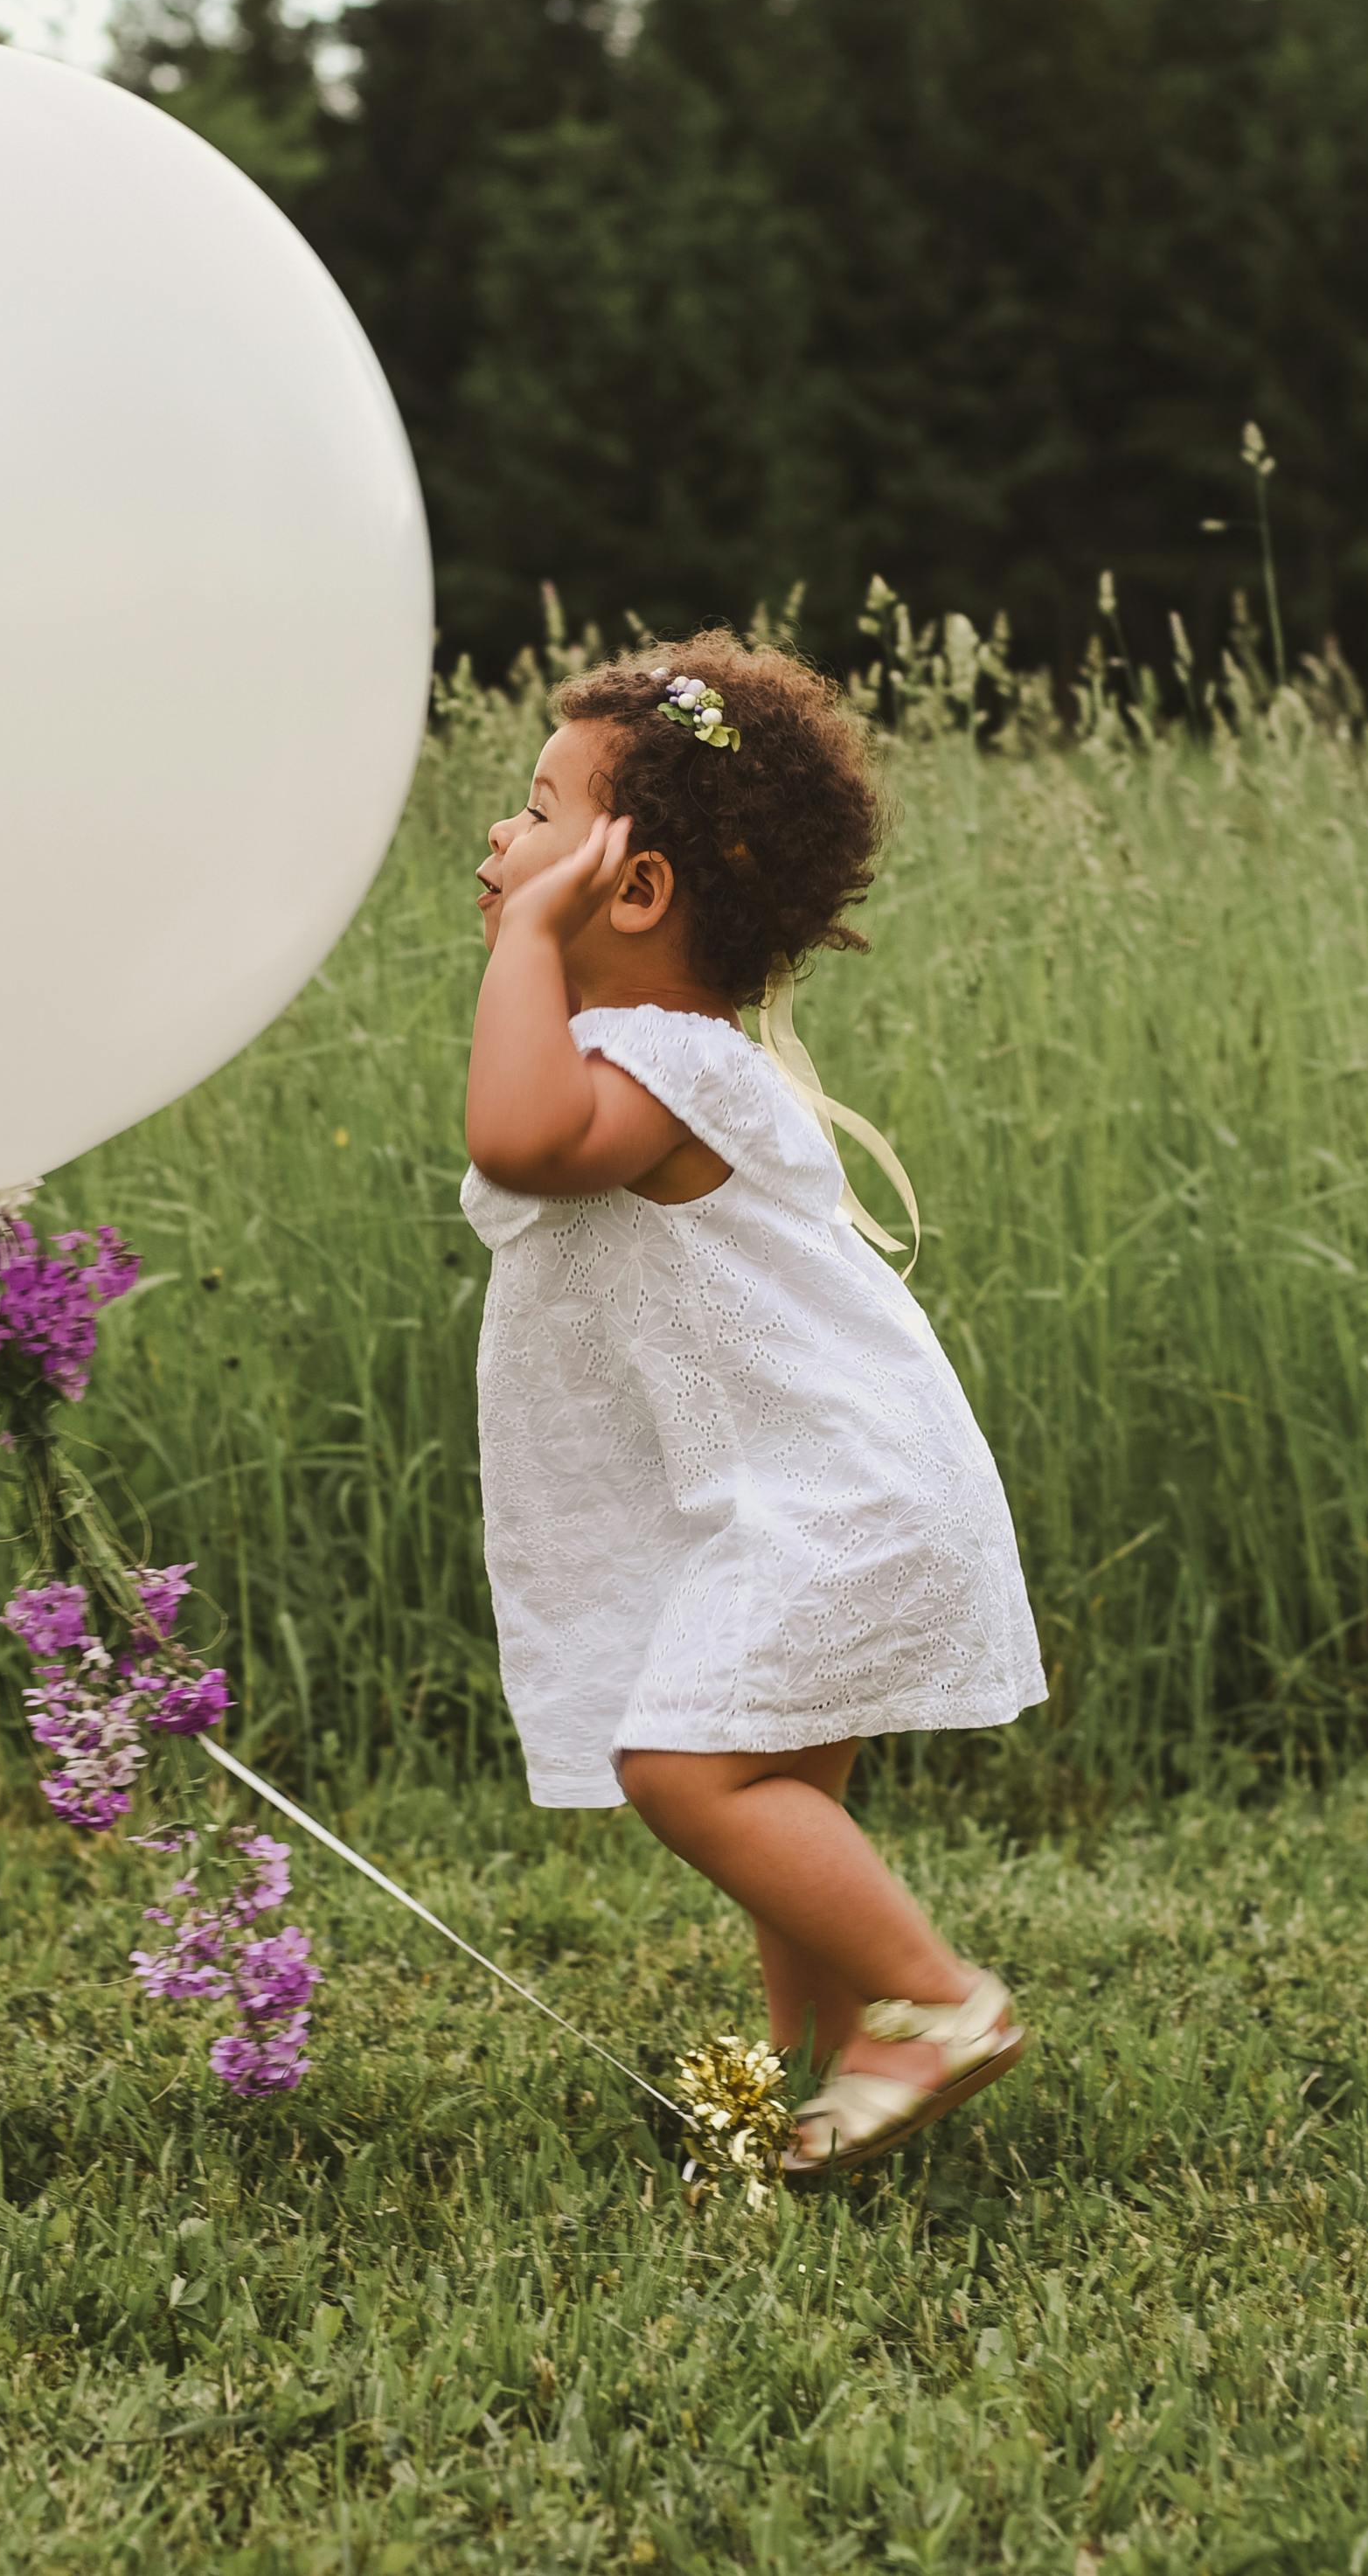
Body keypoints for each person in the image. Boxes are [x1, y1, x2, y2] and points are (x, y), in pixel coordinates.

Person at [458, 630, 1045, 2179]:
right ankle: (809, 2083)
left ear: (631, 891)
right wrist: (536, 939)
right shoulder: (661, 1053)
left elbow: (520, 1138)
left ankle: (935, 2001)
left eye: (534, 814)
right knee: (777, 1795)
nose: (497, 843)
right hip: (815, 1482)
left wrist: (524, 943)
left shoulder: (660, 1062)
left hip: (835, 1493)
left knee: (689, 1768)